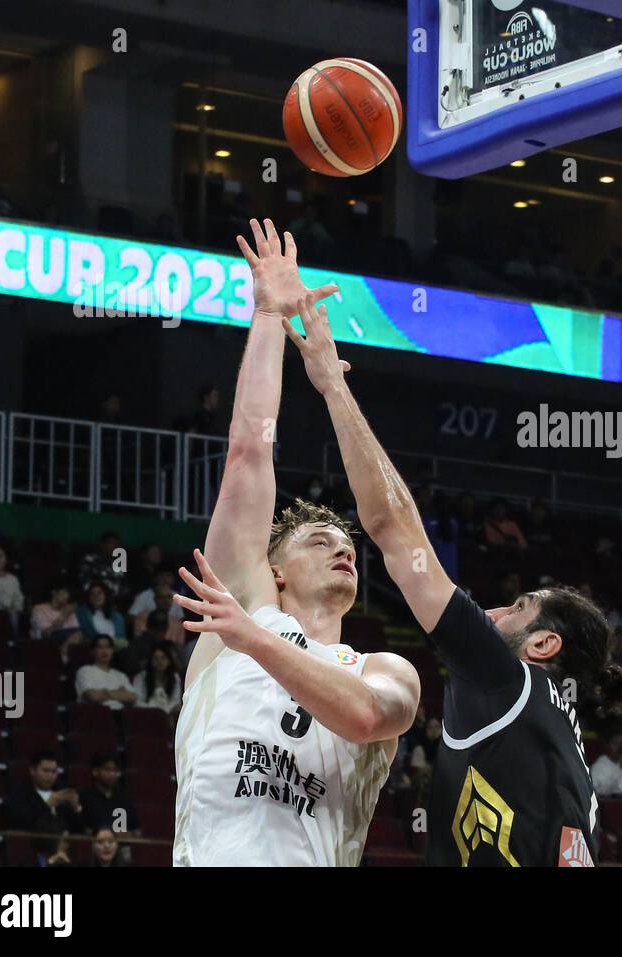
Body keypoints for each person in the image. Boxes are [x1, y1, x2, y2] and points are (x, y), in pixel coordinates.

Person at [279, 273, 622, 867]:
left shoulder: (509, 681)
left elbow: (392, 530)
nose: (492, 610)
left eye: (516, 608)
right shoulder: (563, 748)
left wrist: (331, 388)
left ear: (543, 642)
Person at [171, 221, 421, 867]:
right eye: (318, 539)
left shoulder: (382, 669)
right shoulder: (246, 604)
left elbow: (366, 718)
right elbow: (250, 450)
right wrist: (267, 314)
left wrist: (254, 639)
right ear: (273, 570)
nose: (343, 549)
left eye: (347, 544)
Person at [5, 752, 82, 838]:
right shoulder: (19, 793)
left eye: (54, 771)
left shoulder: (62, 792)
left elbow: (78, 828)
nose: (50, 775)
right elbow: (21, 823)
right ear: (32, 771)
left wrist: (76, 808)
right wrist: (47, 805)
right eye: (45, 771)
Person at [78, 754, 140, 836]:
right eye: (107, 770)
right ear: (95, 772)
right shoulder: (84, 796)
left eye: (115, 771)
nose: (112, 774)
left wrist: (129, 834)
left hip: (122, 846)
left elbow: (137, 830)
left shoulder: (124, 798)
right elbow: (80, 829)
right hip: (93, 845)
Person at [75, 636, 138, 711]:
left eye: (108, 647)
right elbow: (92, 696)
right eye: (100, 647)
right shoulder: (85, 671)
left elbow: (133, 697)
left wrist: (105, 692)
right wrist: (119, 692)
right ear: (92, 651)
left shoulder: (121, 675)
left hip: (121, 713)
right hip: (96, 713)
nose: (105, 651)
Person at [134, 642, 182, 714]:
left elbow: (176, 700)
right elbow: (137, 701)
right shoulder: (141, 677)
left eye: (163, 658)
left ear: (169, 660)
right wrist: (155, 711)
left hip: (168, 711)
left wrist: (166, 710)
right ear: (150, 661)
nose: (159, 662)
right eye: (155, 658)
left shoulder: (175, 677)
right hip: (147, 712)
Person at [30, 581, 80, 645]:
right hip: (45, 644)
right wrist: (63, 615)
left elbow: (75, 629)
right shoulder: (39, 609)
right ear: (54, 592)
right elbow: (46, 634)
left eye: (68, 593)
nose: (67, 596)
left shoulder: (69, 610)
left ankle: (63, 653)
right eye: (64, 592)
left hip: (68, 641)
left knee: (80, 634)